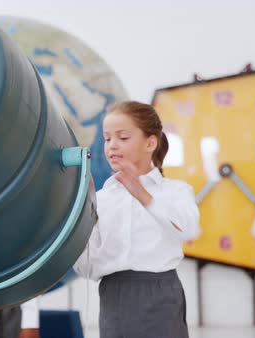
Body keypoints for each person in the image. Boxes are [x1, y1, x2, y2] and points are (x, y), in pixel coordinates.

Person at [73, 101, 201, 338]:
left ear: (150, 143)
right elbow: (88, 267)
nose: (112, 146)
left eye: (122, 137)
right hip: (113, 296)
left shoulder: (176, 191)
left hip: (160, 294)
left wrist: (142, 194)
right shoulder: (100, 199)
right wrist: (72, 224)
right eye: (107, 138)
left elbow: (188, 231)